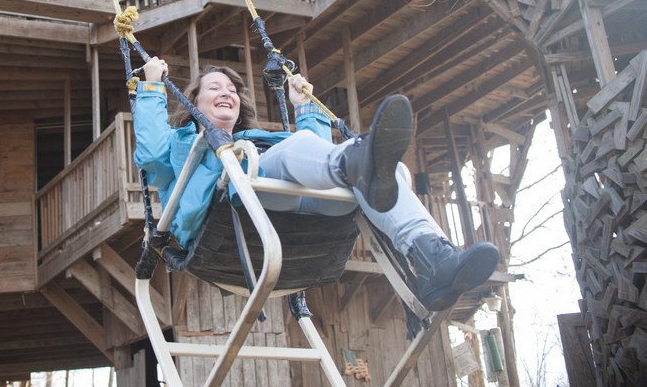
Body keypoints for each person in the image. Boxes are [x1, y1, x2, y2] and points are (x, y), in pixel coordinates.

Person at [132, 57, 500, 311]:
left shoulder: (258, 138)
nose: (226, 92)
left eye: (231, 88)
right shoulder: (179, 145)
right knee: (313, 152)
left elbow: (316, 156)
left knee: (391, 173)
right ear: (194, 101)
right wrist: (150, 87)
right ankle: (361, 162)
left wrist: (304, 107)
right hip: (232, 212)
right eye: (214, 88)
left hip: (299, 213)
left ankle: (432, 259)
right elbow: (149, 155)